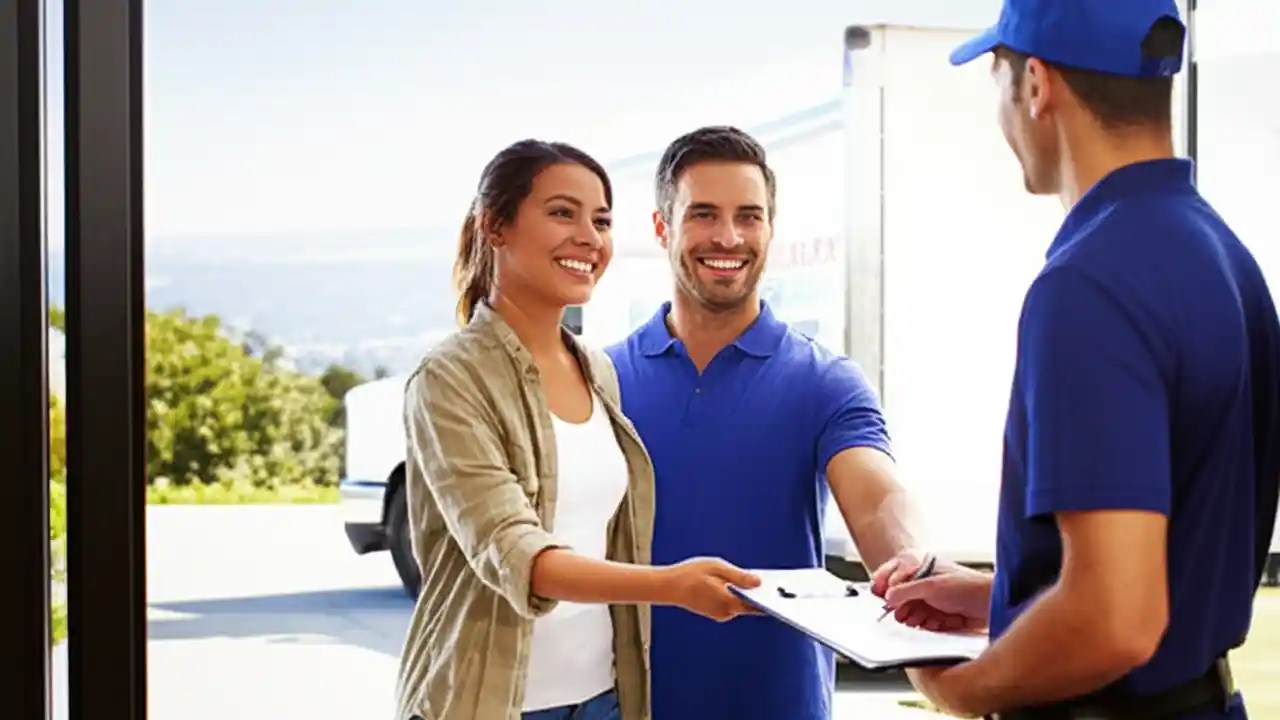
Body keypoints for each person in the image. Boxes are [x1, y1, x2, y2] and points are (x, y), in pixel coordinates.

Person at [874, 1, 1280, 718]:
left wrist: (965, 690)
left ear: (1036, 84)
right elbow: (1168, 564)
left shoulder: (1088, 285)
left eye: (998, 80)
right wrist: (996, 597)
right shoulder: (1220, 254)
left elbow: (1116, 620)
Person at [393, 139, 763, 720]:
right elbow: (516, 555)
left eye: (602, 220)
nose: (589, 237)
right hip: (489, 703)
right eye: (562, 212)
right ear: (495, 225)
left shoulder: (597, 370)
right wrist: (673, 586)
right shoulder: (449, 379)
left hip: (604, 700)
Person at [605, 125, 946, 719]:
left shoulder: (825, 381)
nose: (729, 237)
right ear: (662, 228)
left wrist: (909, 561)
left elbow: (876, 496)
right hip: (626, 706)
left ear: (770, 229)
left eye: (749, 216)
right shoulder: (601, 380)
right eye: (703, 214)